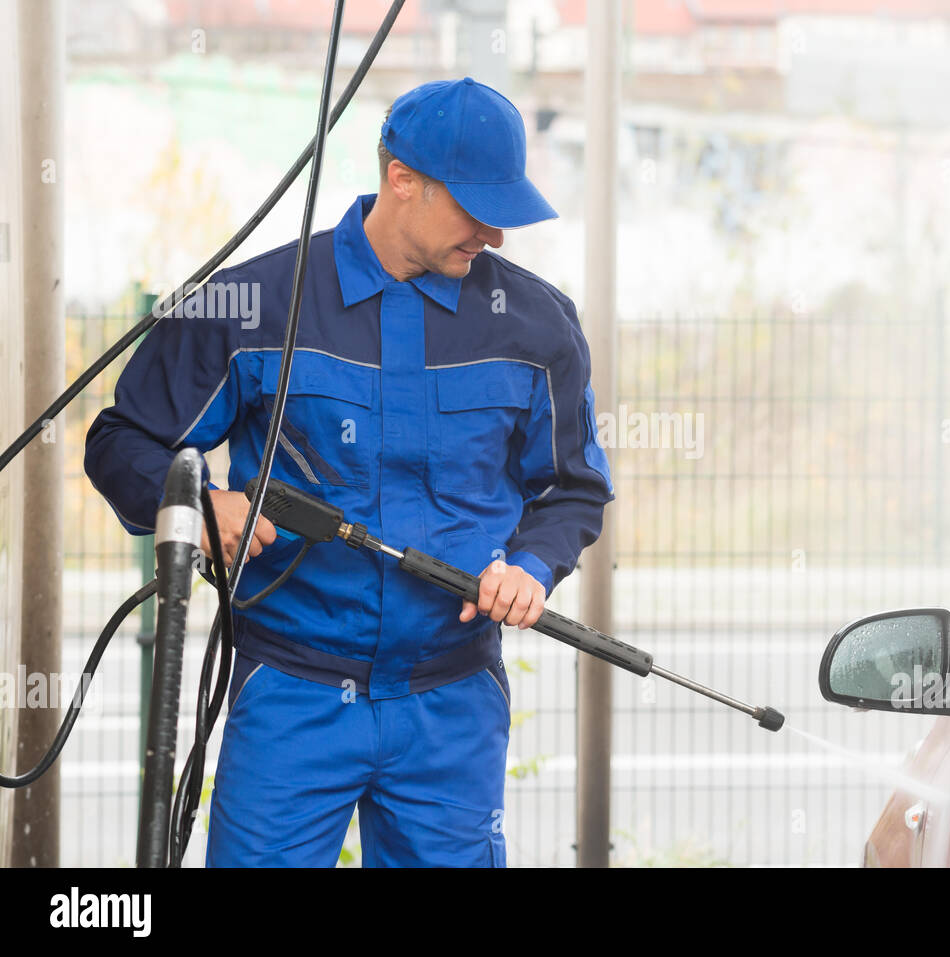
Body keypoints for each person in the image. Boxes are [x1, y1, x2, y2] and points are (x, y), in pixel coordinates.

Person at [84, 77, 615, 867]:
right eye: (475, 206)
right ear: (401, 178)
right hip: (292, 693)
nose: (495, 235)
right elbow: (122, 438)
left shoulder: (538, 326)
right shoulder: (251, 303)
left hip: (452, 703)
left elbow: (573, 487)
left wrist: (532, 566)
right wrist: (203, 509)